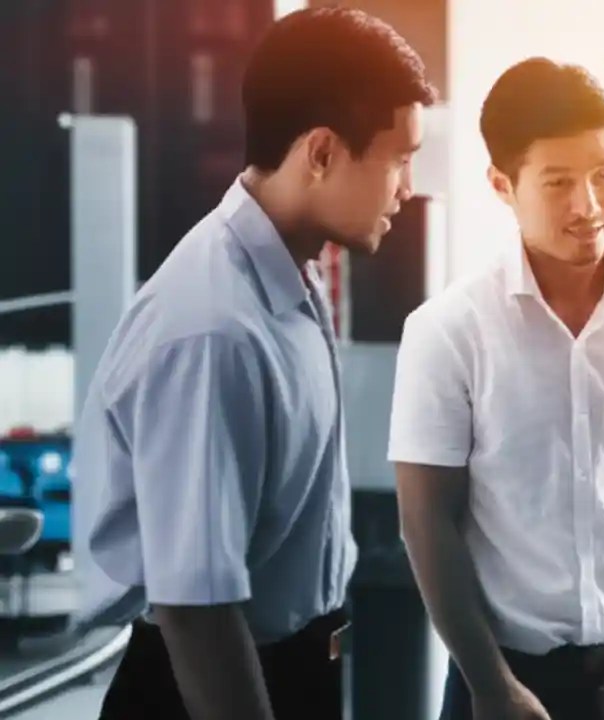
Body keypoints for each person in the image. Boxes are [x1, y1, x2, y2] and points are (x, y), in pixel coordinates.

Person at [69, 8, 435, 719]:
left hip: (298, 668)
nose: (408, 188)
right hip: (206, 689)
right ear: (322, 152)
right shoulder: (213, 328)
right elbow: (197, 610)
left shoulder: (288, 277)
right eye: (400, 158)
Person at [388, 57, 604, 720]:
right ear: (502, 185)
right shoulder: (448, 331)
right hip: (503, 680)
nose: (589, 206)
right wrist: (489, 683)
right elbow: (426, 522)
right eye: (559, 182)